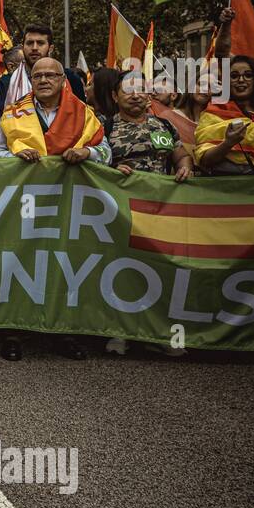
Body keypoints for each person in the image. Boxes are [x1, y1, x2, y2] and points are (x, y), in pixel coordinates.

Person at [0, 56, 108, 362]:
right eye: (37, 75)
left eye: (50, 75)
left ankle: (63, 333)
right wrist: (15, 157)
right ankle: (14, 332)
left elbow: (106, 153)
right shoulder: (14, 114)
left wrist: (87, 151)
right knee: (21, 262)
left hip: (68, 205)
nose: (43, 80)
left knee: (62, 265)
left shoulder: (84, 114)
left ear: (62, 80)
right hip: (26, 203)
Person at [102, 72, 193, 358]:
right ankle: (120, 331)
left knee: (160, 269)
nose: (136, 94)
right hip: (122, 212)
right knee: (123, 270)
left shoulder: (163, 124)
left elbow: (181, 155)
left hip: (161, 211)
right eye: (128, 89)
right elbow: (95, 163)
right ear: (116, 96)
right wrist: (111, 171)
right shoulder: (104, 126)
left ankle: (159, 333)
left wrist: (185, 167)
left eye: (141, 88)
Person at [194, 56, 254, 174]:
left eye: (248, 75)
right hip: (226, 186)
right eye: (234, 76)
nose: (241, 80)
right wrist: (228, 143)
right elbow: (204, 160)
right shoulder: (213, 113)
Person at [0, 25, 86, 137]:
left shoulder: (71, 80)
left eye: (40, 43)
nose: (34, 48)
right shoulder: (6, 83)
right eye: (30, 43)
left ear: (50, 48)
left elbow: (83, 122)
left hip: (65, 151)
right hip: (18, 151)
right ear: (23, 48)